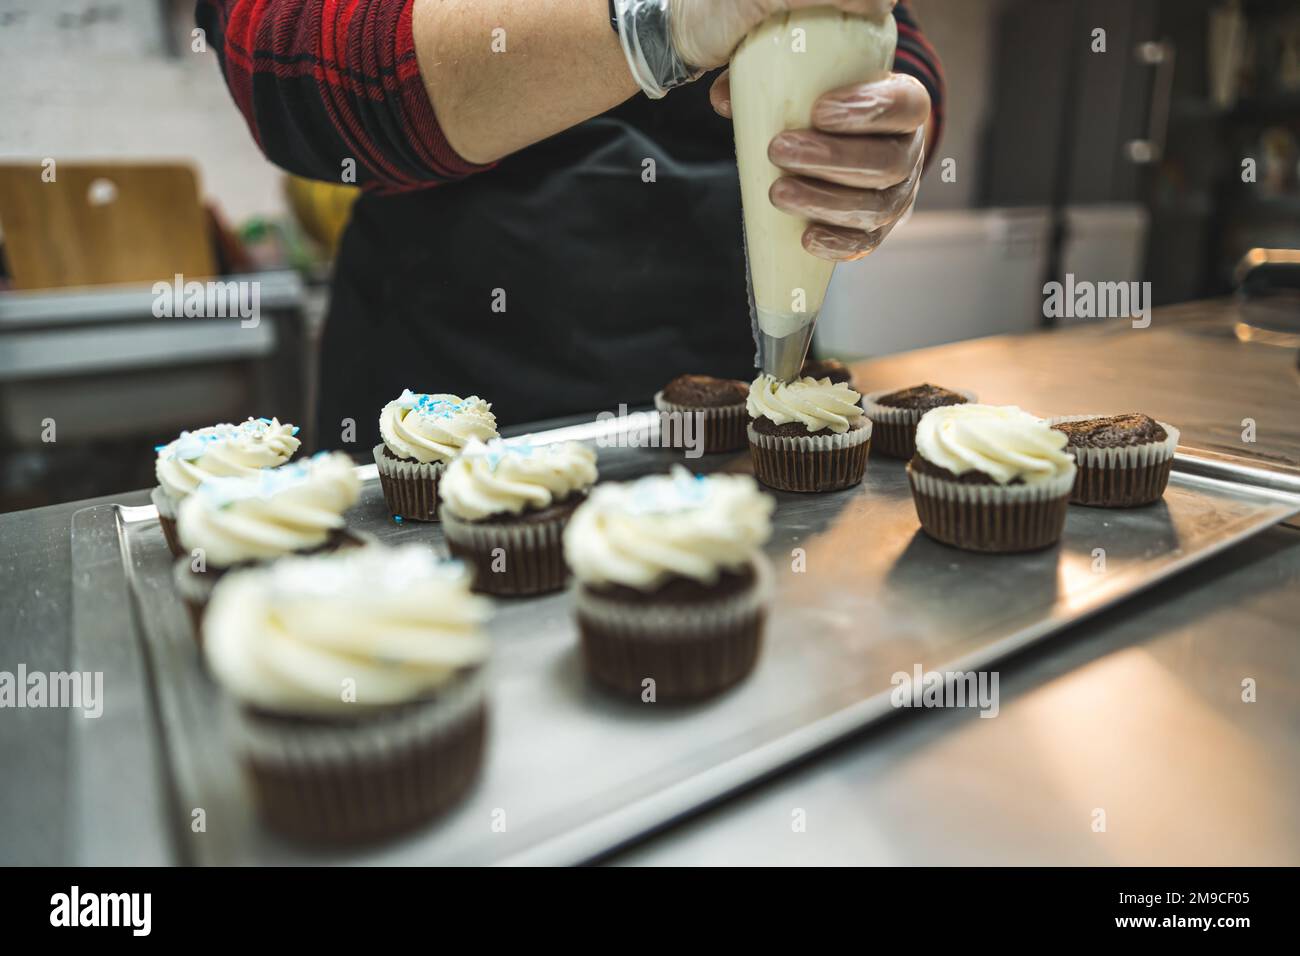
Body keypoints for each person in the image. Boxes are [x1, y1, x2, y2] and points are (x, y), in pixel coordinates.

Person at [197, 0, 944, 442]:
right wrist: (657, 26)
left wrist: (884, 130)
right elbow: (286, 61)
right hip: (444, 403)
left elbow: (890, 27)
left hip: (729, 373)